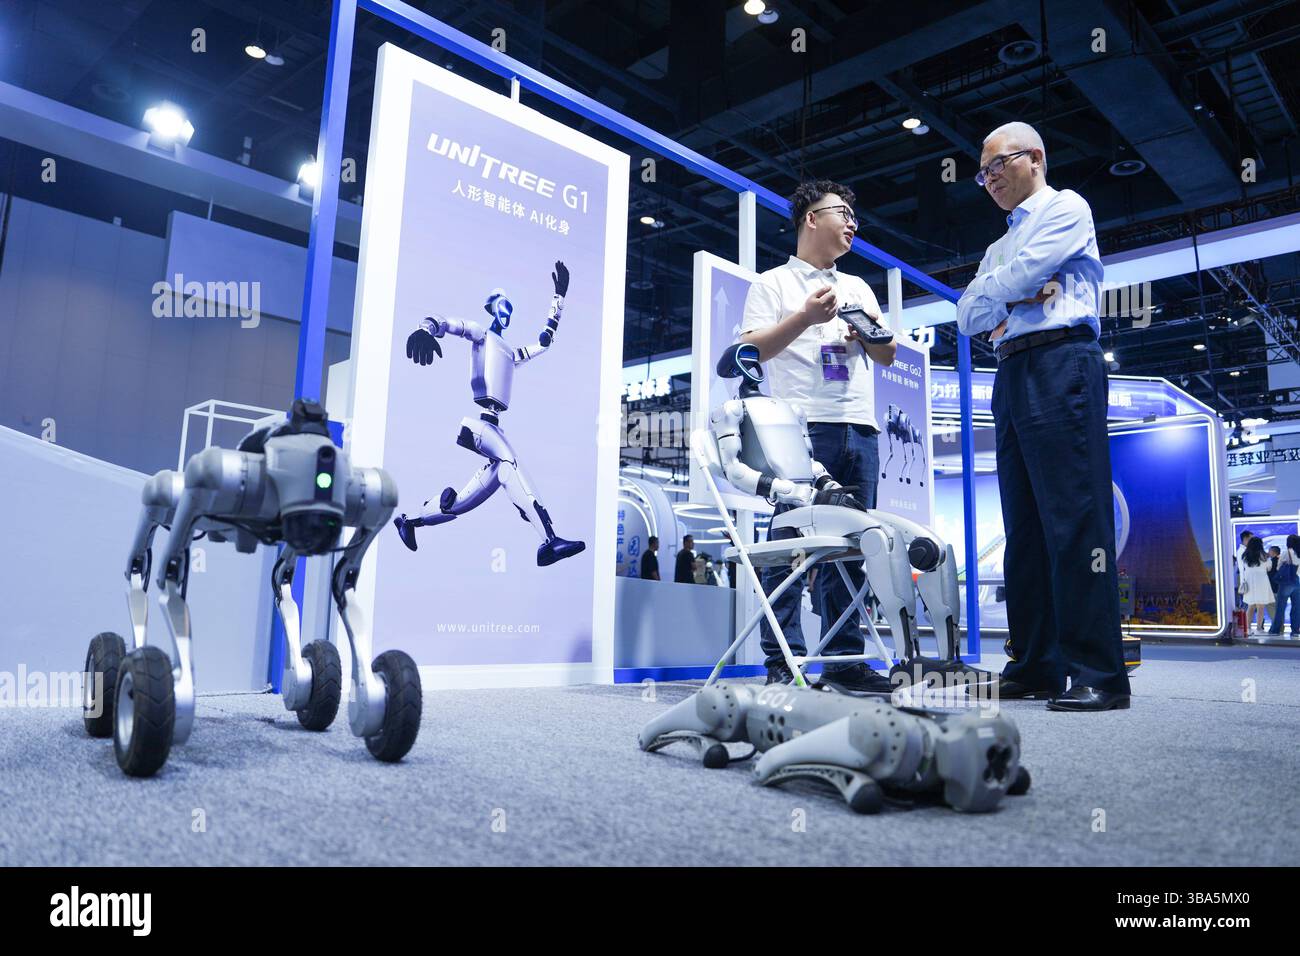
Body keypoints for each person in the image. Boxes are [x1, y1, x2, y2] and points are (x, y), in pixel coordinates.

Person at [956, 121, 1131, 712]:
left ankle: (1100, 673)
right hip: (1011, 372)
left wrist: (1000, 292)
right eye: (982, 173)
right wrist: (1005, 291)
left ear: (1034, 157)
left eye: (996, 166)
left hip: (1063, 363)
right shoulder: (999, 243)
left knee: (1075, 520)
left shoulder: (1066, 208)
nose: (989, 180)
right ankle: (1035, 665)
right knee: (1024, 528)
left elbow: (1014, 283)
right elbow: (965, 314)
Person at [739, 179, 897, 693]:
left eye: (854, 216)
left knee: (851, 547)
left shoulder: (859, 288)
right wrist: (806, 317)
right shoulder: (773, 284)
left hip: (860, 425)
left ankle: (844, 659)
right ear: (811, 218)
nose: (852, 223)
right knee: (789, 543)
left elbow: (888, 354)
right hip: (801, 428)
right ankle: (782, 658)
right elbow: (751, 351)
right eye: (842, 213)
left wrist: (868, 334)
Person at [1240, 536, 1273, 633]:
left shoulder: (1245, 555)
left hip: (1249, 581)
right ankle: (1259, 628)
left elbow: (1243, 567)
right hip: (1262, 581)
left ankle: (1248, 627)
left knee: (1250, 606)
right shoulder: (1264, 556)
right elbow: (1269, 567)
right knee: (1261, 606)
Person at [1269, 534, 1299, 636]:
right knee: (1296, 608)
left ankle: (1275, 630)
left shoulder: (1286, 553)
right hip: (1297, 582)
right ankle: (1295, 630)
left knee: (1280, 607)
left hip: (1286, 582)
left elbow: (1278, 568)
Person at [1235, 530, 1254, 609]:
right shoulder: (1242, 552)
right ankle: (1245, 621)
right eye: (1251, 539)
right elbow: (1243, 568)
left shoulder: (1245, 551)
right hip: (1245, 580)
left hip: (1246, 580)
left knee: (1249, 605)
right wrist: (1243, 582)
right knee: (1246, 605)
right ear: (1245, 539)